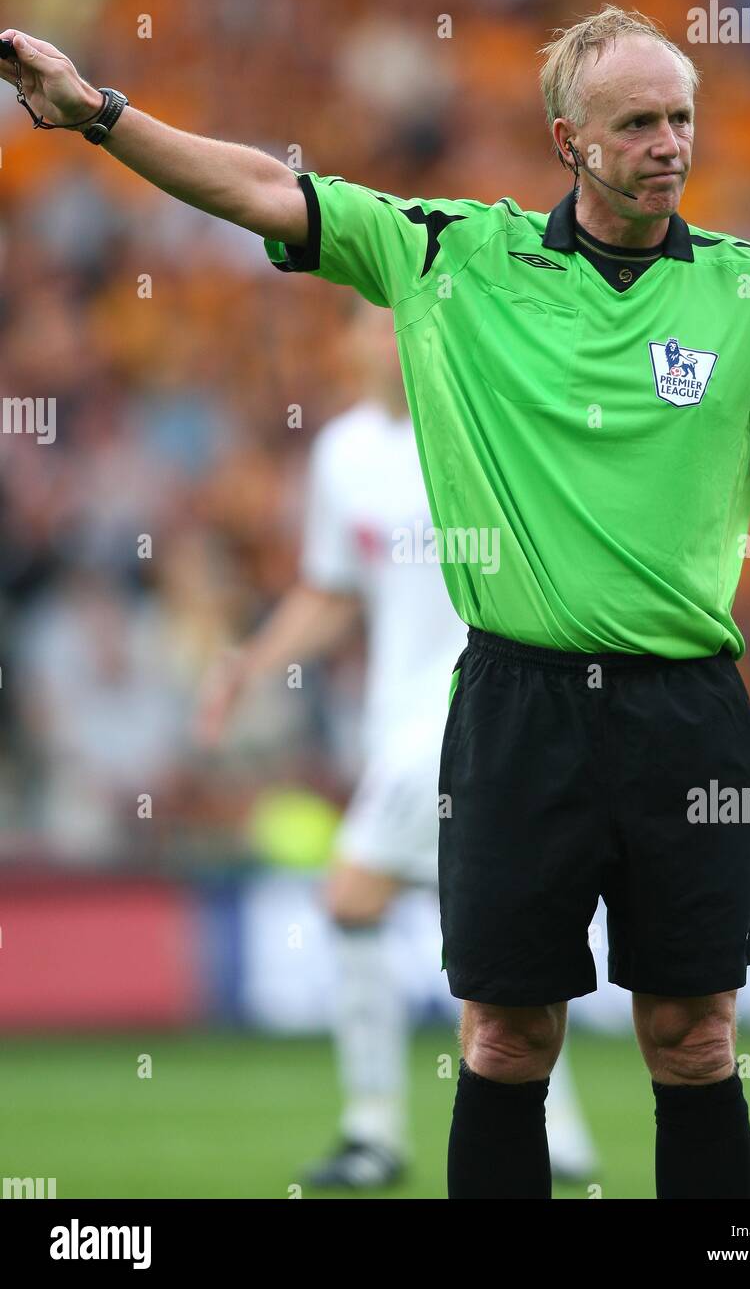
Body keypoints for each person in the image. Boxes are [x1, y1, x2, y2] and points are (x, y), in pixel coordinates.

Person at [0, 3, 750, 1200]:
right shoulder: (453, 254)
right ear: (569, 138)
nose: (669, 143)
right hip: (515, 708)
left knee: (695, 1036)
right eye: (638, 122)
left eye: (681, 119)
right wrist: (99, 113)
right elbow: (259, 190)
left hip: (686, 713)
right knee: (504, 1042)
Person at [194, 297, 598, 1189]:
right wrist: (250, 663)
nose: (389, 335)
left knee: (353, 895)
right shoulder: (342, 453)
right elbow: (334, 590)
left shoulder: (480, 424)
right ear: (343, 343)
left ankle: (373, 1130)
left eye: (402, 319)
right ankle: (558, 1131)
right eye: (370, 323)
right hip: (397, 726)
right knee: (493, 925)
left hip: (476, 707)